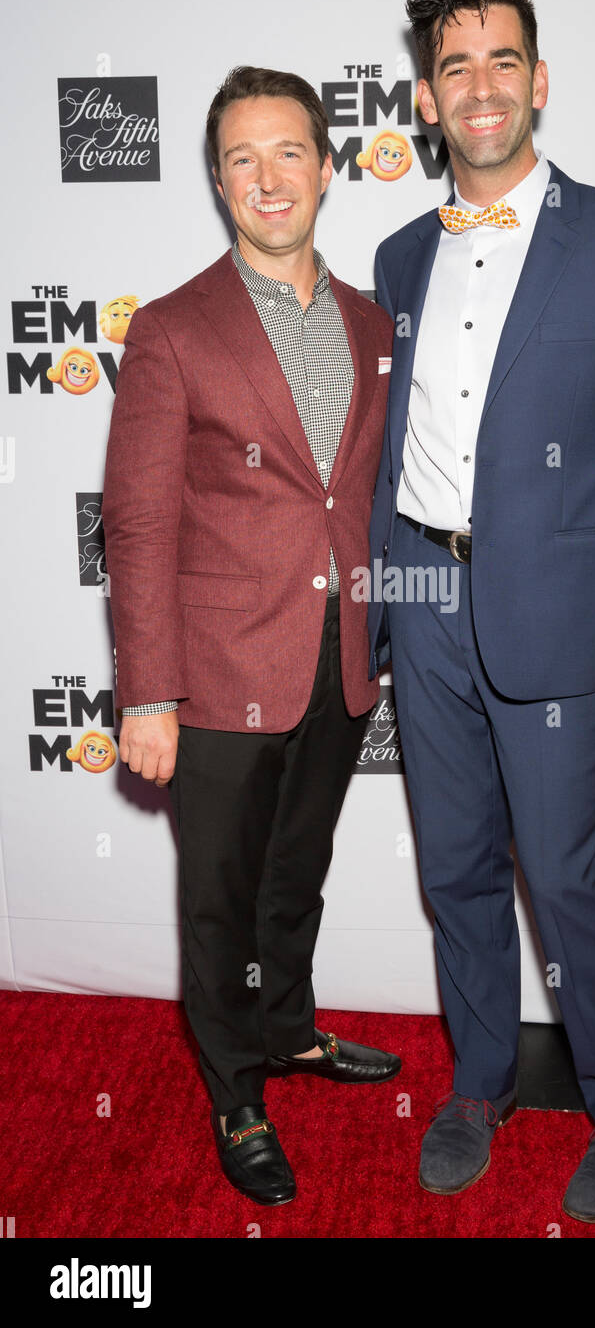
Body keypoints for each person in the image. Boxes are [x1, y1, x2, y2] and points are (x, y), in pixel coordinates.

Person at [367, 0, 595, 1222]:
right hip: (424, 603)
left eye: (502, 61)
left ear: (538, 80)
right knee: (453, 867)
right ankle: (476, 1082)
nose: (481, 87)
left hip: (561, 616)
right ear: (425, 97)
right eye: (455, 68)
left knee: (561, 875)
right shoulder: (402, 254)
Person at [102, 66, 400, 1209]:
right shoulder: (174, 329)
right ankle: (235, 1092)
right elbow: (138, 520)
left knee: (295, 877)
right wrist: (146, 692)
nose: (268, 177)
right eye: (242, 158)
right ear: (219, 182)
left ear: (327, 168)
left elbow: (363, 494)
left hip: (337, 660)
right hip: (217, 674)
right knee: (218, 900)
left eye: (289, 152)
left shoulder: (374, 321)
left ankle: (288, 1031)